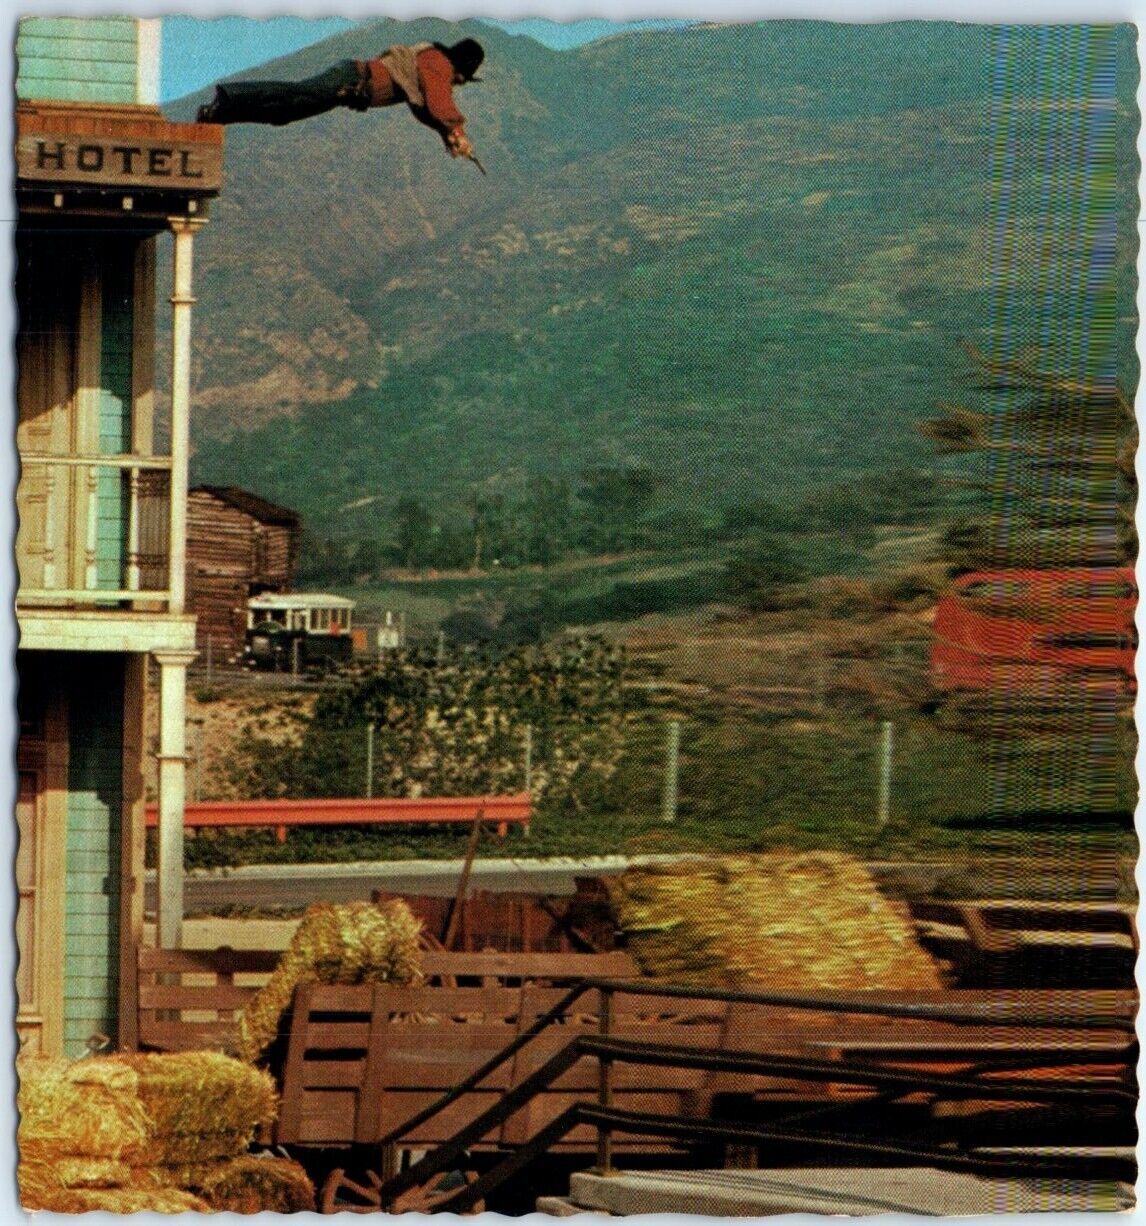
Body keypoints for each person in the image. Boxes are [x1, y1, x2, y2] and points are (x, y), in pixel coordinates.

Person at [196, 39, 484, 161]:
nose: (458, 83)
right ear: (460, 68)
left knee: (284, 114)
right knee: (295, 94)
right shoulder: (439, 64)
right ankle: (229, 96)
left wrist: (446, 135)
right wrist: (456, 131)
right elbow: (438, 102)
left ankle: (221, 114)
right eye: (462, 78)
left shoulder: (431, 63)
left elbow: (425, 108)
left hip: (347, 87)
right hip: (349, 79)